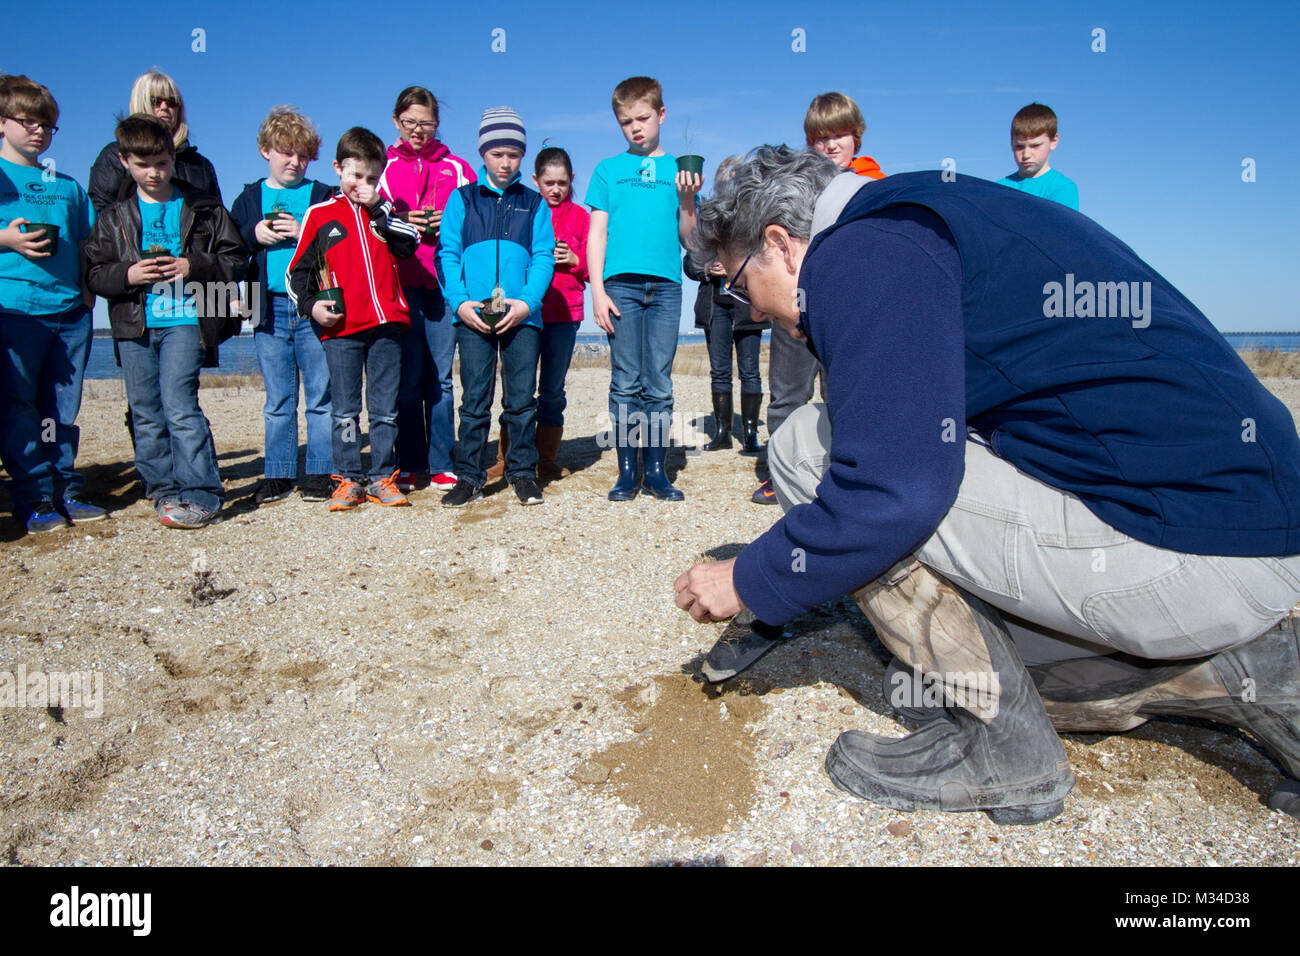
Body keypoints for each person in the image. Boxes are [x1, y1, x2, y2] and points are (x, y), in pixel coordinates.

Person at [678, 146, 1300, 823]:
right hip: (1247, 534)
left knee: (806, 447)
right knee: (963, 676)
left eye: (739, 286)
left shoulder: (864, 250)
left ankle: (1004, 750)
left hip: (1192, 558)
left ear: (780, 242)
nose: (753, 313)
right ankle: (1249, 669)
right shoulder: (930, 216)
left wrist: (751, 578)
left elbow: (889, 492)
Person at [82, 114, 246, 529]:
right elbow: (94, 272)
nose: (154, 172)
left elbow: (235, 259)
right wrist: (127, 275)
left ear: (173, 158)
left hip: (187, 319)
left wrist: (194, 264)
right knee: (145, 411)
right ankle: (163, 491)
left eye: (161, 162)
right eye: (143, 164)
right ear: (124, 162)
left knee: (179, 405)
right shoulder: (113, 216)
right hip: (132, 325)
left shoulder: (205, 208)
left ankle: (202, 492)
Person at [752, 92, 886, 504]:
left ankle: (842, 468)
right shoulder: (794, 184)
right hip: (795, 301)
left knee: (842, 387)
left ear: (856, 137)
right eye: (819, 138)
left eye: (839, 135)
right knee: (788, 388)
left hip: (847, 307)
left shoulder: (873, 183)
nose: (829, 146)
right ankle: (782, 467)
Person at [87, 70, 224, 451]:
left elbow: (217, 233)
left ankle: (191, 477)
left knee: (182, 397)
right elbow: (100, 226)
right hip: (135, 301)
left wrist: (217, 307)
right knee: (144, 402)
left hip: (189, 301)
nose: (165, 108)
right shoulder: (110, 161)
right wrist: (127, 271)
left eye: (172, 102)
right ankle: (158, 478)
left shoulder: (198, 165)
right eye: (155, 101)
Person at [287, 127, 418, 512]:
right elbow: (297, 273)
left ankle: (382, 476)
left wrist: (379, 207)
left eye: (372, 178)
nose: (362, 184)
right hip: (340, 330)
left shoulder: (387, 210)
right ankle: (347, 477)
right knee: (344, 408)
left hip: (387, 325)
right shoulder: (320, 215)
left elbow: (409, 243)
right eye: (355, 175)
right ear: (337, 169)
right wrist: (311, 306)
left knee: (384, 408)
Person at [586, 76, 702, 502]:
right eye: (625, 121)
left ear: (661, 114)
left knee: (659, 383)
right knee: (625, 382)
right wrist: (597, 290)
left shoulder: (679, 170)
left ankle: (656, 470)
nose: (635, 127)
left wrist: (688, 200)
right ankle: (626, 471)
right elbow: (596, 234)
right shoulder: (607, 170)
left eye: (643, 118)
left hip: (667, 287)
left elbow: (689, 239)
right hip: (620, 287)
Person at [437, 107, 554, 508]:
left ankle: (522, 472)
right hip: (472, 316)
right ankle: (468, 475)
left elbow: (543, 257)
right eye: (497, 153)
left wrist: (526, 303)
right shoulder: (461, 199)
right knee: (474, 400)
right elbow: (448, 254)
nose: (505, 163)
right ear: (482, 153)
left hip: (522, 316)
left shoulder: (535, 204)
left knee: (521, 399)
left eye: (514, 154)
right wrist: (460, 302)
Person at [0, 75, 101, 533]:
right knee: (17, 406)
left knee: (60, 409)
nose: (38, 131)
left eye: (47, 124)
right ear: (3, 123)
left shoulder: (68, 187)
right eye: (27, 121)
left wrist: (87, 292)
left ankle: (65, 487)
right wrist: (6, 240)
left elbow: (87, 243)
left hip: (70, 313)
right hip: (13, 311)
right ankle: (33, 496)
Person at [230, 106, 335, 505]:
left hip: (313, 308)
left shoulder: (322, 195)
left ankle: (320, 472)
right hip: (265, 305)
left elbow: (341, 247)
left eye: (303, 154)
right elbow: (231, 246)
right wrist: (252, 233)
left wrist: (307, 234)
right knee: (278, 399)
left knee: (320, 396)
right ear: (265, 151)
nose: (294, 161)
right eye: (285, 152)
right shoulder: (249, 198)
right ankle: (277, 473)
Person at [378, 86, 475, 494]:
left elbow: (476, 216)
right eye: (410, 122)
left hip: (444, 284)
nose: (418, 131)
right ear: (396, 121)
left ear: (438, 123)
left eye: (427, 123)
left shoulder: (458, 168)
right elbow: (369, 217)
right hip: (399, 282)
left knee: (441, 378)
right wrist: (403, 223)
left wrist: (446, 224)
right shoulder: (381, 166)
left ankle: (441, 462)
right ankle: (409, 461)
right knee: (407, 377)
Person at [684, 157, 765, 453]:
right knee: (719, 371)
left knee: (750, 371)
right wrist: (707, 268)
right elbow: (689, 264)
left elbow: (767, 259)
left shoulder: (756, 216)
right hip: (714, 306)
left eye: (736, 177)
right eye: (725, 178)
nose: (730, 182)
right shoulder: (706, 219)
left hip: (748, 304)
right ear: (718, 183)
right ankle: (721, 433)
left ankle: (751, 433)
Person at [529, 145, 588, 481]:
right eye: (548, 182)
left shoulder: (581, 218)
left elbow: (596, 270)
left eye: (562, 183)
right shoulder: (526, 211)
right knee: (518, 390)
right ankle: (511, 457)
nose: (555, 189)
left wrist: (575, 261)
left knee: (552, 389)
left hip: (565, 315)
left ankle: (546, 458)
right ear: (536, 180)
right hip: (526, 313)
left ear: (572, 181)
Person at [996, 102, 1079, 210]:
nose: (1026, 155)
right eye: (1019, 146)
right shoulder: (998, 188)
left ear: (1053, 141)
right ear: (1011, 143)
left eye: (1035, 146)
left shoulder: (1063, 188)